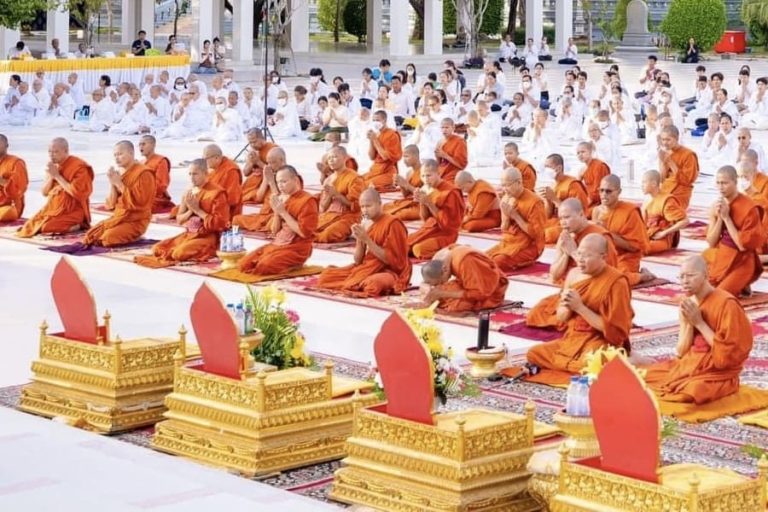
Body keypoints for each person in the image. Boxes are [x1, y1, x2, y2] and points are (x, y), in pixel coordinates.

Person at [644, 255, 753, 404]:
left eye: (690, 276)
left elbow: (728, 356)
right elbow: (681, 351)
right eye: (681, 277)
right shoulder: (688, 304)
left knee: (692, 392)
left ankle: (721, 386)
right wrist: (689, 323)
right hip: (692, 362)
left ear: (706, 275)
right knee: (645, 376)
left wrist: (700, 323)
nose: (685, 282)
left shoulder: (727, 304)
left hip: (717, 371)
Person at [525, 234, 633, 384]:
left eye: (587, 256)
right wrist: (567, 306)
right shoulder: (574, 274)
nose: (580, 260)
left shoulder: (616, 282)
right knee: (534, 354)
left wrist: (580, 307)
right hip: (573, 339)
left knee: (592, 364)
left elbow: (616, 331)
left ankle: (627, 360)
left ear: (603, 257)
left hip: (599, 339)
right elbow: (562, 317)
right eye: (579, 254)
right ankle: (616, 361)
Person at [316, 189, 411, 296]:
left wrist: (367, 240)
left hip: (391, 272)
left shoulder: (393, 224)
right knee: (325, 276)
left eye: (368, 206)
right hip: (369, 268)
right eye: (362, 207)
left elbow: (396, 263)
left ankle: (360, 283)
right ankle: (358, 282)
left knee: (372, 284)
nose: (365, 210)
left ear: (380, 204)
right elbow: (358, 260)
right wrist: (359, 239)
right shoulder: (366, 224)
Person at [137, 159, 229, 266]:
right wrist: (191, 210)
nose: (192, 177)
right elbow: (179, 219)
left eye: (195, 174)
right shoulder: (188, 192)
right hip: (189, 234)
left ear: (205, 173)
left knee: (178, 254)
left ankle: (208, 252)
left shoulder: (217, 193)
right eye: (190, 174)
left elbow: (220, 224)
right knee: (157, 249)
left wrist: (198, 210)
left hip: (207, 237)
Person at [238, 166, 319, 275]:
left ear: (295, 180)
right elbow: (275, 231)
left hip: (297, 248)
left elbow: (304, 233)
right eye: (278, 182)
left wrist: (283, 213)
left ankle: (294, 265)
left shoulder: (307, 201)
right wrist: (276, 212)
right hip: (278, 243)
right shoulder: (282, 198)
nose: (280, 185)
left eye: (284, 182)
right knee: (243, 264)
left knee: (264, 267)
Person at [702, 166, 765, 297]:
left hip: (742, 261)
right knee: (696, 272)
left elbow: (742, 246)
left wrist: (727, 218)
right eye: (718, 183)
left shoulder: (749, 207)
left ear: (735, 182)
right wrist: (720, 217)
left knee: (718, 296)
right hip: (721, 255)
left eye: (725, 183)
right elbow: (711, 242)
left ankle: (742, 281)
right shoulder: (716, 205)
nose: (721, 187)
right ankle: (740, 285)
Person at [82, 141, 155, 247]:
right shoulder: (120, 173)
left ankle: (136, 236)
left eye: (120, 154)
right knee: (90, 236)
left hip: (137, 220)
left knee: (107, 239)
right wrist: (113, 184)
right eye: (115, 155)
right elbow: (110, 205)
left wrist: (119, 184)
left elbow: (141, 203)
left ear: (131, 153)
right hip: (119, 217)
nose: (117, 158)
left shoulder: (144, 173)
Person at [18, 138, 93, 237]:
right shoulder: (53, 167)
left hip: (73, 211)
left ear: (66, 151)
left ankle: (79, 225)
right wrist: (51, 176)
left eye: (55, 152)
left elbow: (78, 194)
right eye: (49, 151)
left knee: (46, 227)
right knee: (30, 226)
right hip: (52, 209)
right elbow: (44, 193)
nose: (51, 154)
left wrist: (57, 176)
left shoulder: (79, 167)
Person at [592, 175, 654, 286]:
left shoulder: (630, 212)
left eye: (608, 191)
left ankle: (643, 276)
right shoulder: (596, 211)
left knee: (616, 279)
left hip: (625, 258)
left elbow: (634, 247)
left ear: (619, 191)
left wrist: (607, 233)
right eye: (601, 190)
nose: (604, 195)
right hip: (604, 256)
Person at [486, 167, 546, 272]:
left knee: (497, 262)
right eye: (503, 185)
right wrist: (507, 216)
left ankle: (527, 261)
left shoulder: (535, 202)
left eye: (508, 185)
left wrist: (516, 216)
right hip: (509, 242)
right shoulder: (506, 199)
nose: (505, 189)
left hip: (530, 247)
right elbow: (504, 228)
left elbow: (537, 235)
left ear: (519, 182)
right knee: (483, 258)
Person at [420, 245, 509, 313]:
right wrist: (426, 286)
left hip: (491, 289)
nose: (441, 283)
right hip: (472, 282)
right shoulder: (444, 257)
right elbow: (430, 277)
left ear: (445, 269)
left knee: (459, 306)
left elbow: (480, 293)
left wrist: (443, 293)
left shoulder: (466, 262)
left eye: (441, 281)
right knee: (441, 290)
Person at [407, 159, 465, 259]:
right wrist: (422, 202)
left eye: (429, 175)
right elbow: (425, 219)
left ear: (438, 173)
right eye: (423, 176)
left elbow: (449, 226)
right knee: (404, 245)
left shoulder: (451, 192)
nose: (425, 179)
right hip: (431, 229)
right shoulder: (429, 189)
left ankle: (451, 253)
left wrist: (429, 203)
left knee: (418, 250)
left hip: (446, 234)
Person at [315, 146, 364, 243]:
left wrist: (337, 195)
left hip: (349, 217)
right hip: (330, 215)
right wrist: (329, 195)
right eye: (329, 159)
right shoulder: (328, 180)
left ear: (345, 158)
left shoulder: (354, 178)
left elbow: (357, 206)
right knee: (305, 228)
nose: (331, 161)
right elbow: (323, 208)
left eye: (334, 157)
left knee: (327, 235)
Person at [232, 147, 285, 232]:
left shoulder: (288, 176)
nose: (270, 166)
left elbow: (282, 200)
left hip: (277, 215)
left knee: (273, 224)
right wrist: (266, 179)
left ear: (282, 160)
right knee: (235, 219)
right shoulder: (270, 173)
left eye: (273, 163)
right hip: (263, 215)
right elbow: (259, 198)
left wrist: (271, 182)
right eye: (268, 163)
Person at [539, 153, 589, 244]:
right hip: (556, 221)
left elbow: (579, 213)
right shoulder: (554, 185)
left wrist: (554, 199)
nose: (546, 170)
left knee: (547, 235)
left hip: (569, 223)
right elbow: (548, 215)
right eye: (545, 167)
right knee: (535, 228)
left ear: (558, 168)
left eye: (548, 167)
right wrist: (547, 199)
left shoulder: (573, 185)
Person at [641, 170, 690, 254]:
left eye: (644, 182)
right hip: (648, 235)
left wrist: (664, 233)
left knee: (643, 249)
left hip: (662, 239)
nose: (641, 186)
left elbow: (685, 221)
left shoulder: (666, 201)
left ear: (653, 184)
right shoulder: (646, 201)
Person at [658, 125, 700, 211]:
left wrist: (670, 162)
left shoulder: (688, 155)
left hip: (680, 192)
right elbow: (662, 179)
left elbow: (687, 181)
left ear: (676, 138)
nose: (665, 143)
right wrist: (663, 162)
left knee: (668, 211)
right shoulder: (665, 153)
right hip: (666, 189)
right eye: (663, 140)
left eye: (668, 139)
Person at [361, 110, 402, 190]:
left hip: (388, 172)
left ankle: (388, 184)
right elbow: (372, 157)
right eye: (373, 120)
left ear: (385, 120)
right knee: (357, 181)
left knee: (364, 186)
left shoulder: (392, 135)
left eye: (378, 120)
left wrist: (375, 140)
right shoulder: (377, 134)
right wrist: (371, 140)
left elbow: (385, 157)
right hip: (376, 169)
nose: (375, 122)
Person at [384, 144, 423, 221]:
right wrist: (400, 184)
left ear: (416, 156)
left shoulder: (425, 172)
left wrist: (406, 184)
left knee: (401, 214)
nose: (404, 160)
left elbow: (425, 194)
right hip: (409, 201)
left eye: (407, 156)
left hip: (421, 205)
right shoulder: (409, 173)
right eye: (403, 157)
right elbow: (406, 195)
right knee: (385, 207)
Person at [202, 144, 242, 218]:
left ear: (216, 158)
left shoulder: (230, 171)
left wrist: (209, 203)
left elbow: (233, 199)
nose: (204, 162)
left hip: (225, 212)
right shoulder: (214, 171)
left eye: (205, 159)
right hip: (212, 205)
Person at [138, 135, 175, 213]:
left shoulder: (161, 161)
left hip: (154, 198)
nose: (141, 147)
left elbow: (161, 185)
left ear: (153, 145)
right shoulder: (140, 163)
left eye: (143, 144)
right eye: (139, 144)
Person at [240, 128, 278, 203]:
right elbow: (245, 173)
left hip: (268, 182)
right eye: (250, 143)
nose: (252, 145)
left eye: (254, 142)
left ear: (262, 138)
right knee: (240, 194)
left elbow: (276, 172)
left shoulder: (273, 149)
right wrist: (251, 163)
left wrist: (258, 162)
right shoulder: (252, 151)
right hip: (253, 182)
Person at [0, 134, 29, 222]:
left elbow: (19, 190)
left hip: (9, 206)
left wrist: (2, 181)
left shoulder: (16, 163)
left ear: (7, 146)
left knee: (7, 212)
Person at [575, 141, 611, 211]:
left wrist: (586, 202)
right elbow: (576, 188)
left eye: (583, 152)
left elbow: (599, 191)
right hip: (590, 201)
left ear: (591, 152)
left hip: (600, 202)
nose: (580, 155)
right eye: (578, 153)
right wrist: (579, 177)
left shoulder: (599, 166)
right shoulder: (583, 169)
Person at [434, 118, 468, 184]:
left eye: (447, 127)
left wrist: (445, 155)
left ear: (453, 128)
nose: (444, 130)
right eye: (442, 128)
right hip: (441, 172)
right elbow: (439, 163)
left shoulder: (460, 141)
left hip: (454, 172)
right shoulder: (439, 142)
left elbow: (462, 164)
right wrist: (437, 156)